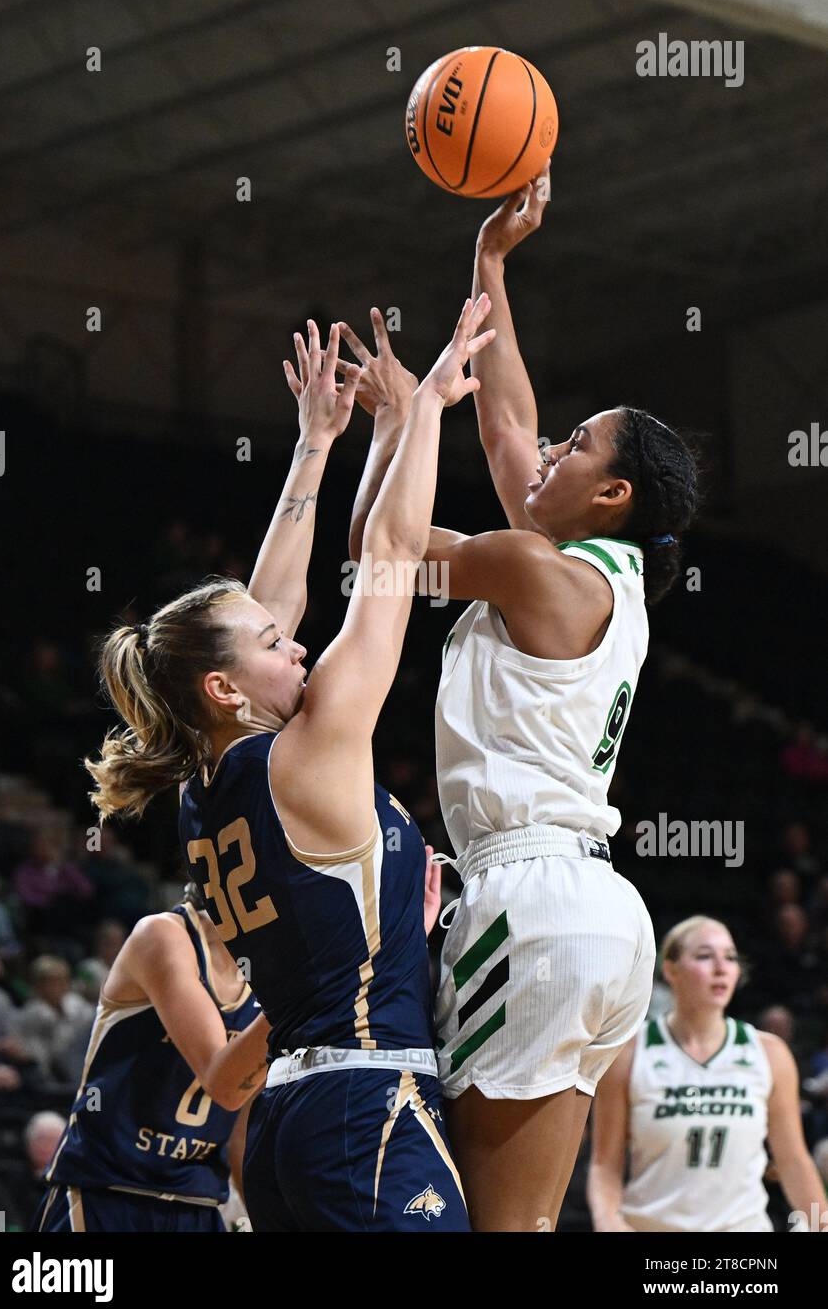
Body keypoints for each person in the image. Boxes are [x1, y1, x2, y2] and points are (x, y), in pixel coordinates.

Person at [340, 165, 699, 1230]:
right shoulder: (599, 575)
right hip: (596, 918)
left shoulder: (536, 571)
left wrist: (401, 425)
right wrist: (490, 261)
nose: (548, 447)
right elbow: (505, 435)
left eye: (577, 445)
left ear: (612, 494)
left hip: (529, 901)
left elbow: (381, 553)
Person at [85, 301, 494, 1231]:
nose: (299, 647)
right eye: (280, 646)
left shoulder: (204, 786)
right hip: (366, 1108)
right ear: (229, 689)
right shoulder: (307, 752)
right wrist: (425, 409)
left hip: (284, 1125)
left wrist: (318, 444)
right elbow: (388, 557)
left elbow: (261, 604)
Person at [35, 887, 267, 1233]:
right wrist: (305, 998)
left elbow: (241, 1134)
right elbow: (223, 1083)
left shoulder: (268, 975)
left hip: (197, 1205)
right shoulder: (163, 935)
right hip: (108, 1195)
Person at [588, 915, 828, 1232]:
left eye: (729, 957)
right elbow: (605, 1164)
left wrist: (821, 1223)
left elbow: (793, 1161)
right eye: (704, 956)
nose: (721, 967)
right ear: (670, 970)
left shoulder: (768, 1054)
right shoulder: (630, 1054)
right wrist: (608, 1220)